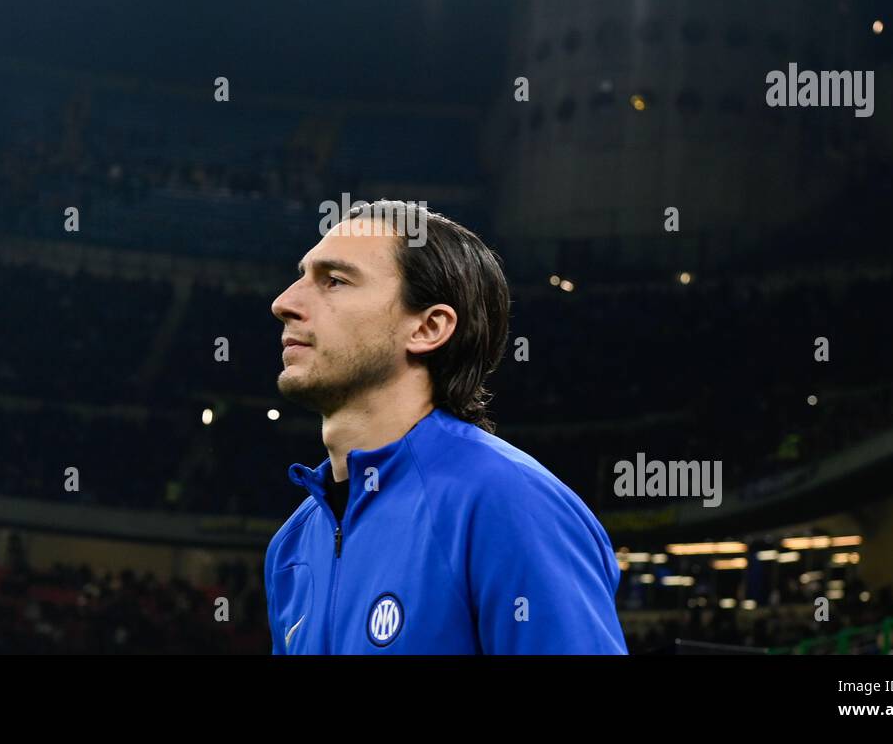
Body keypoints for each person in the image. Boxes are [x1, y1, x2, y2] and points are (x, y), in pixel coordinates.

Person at [263, 200, 627, 654]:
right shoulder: (292, 543)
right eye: (302, 277)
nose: (284, 303)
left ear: (428, 328)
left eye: (334, 281)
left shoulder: (508, 502)